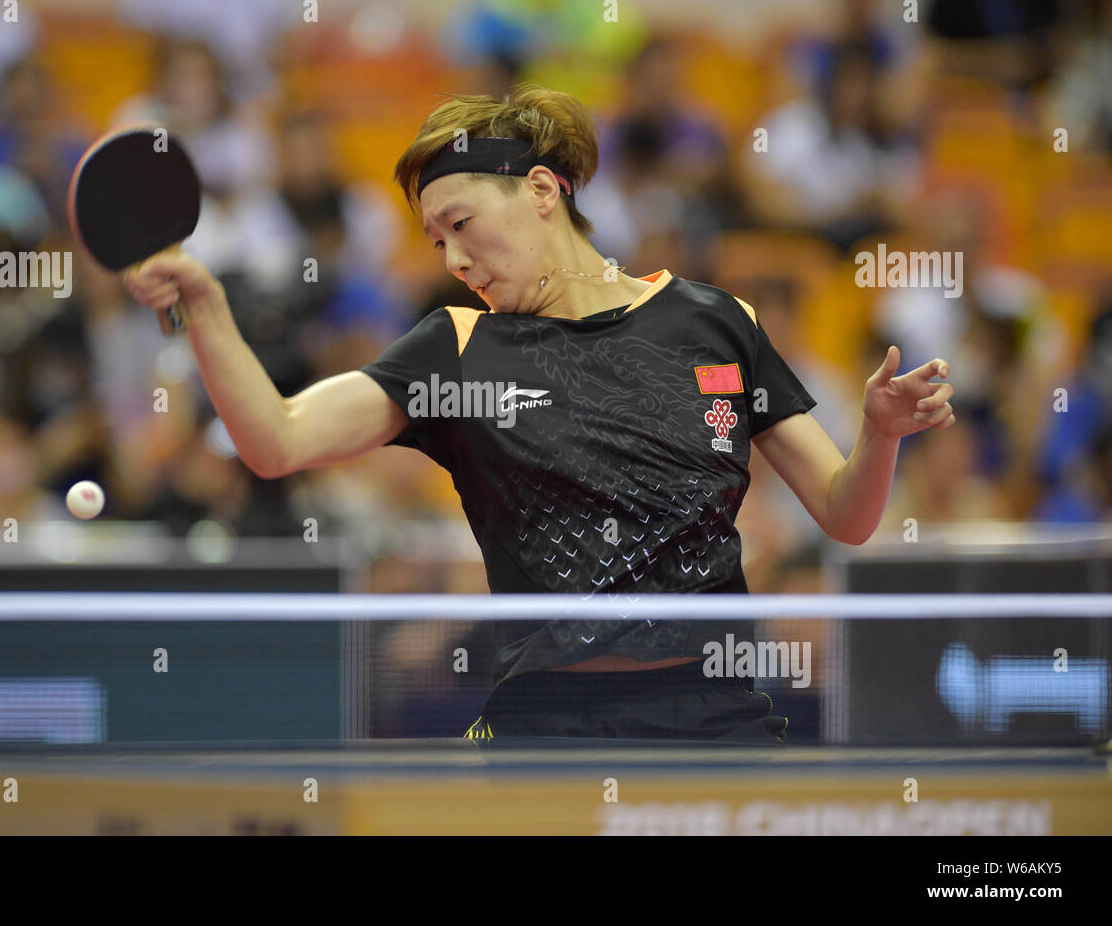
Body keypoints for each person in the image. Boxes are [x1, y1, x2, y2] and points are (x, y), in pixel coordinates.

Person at [122, 83, 956, 744]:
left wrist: (879, 433)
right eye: (434, 241)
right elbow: (275, 440)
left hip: (717, 718)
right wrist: (206, 308)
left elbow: (848, 516)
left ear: (543, 191)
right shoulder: (455, 349)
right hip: (546, 730)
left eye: (462, 224)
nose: (453, 259)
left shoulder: (713, 321)